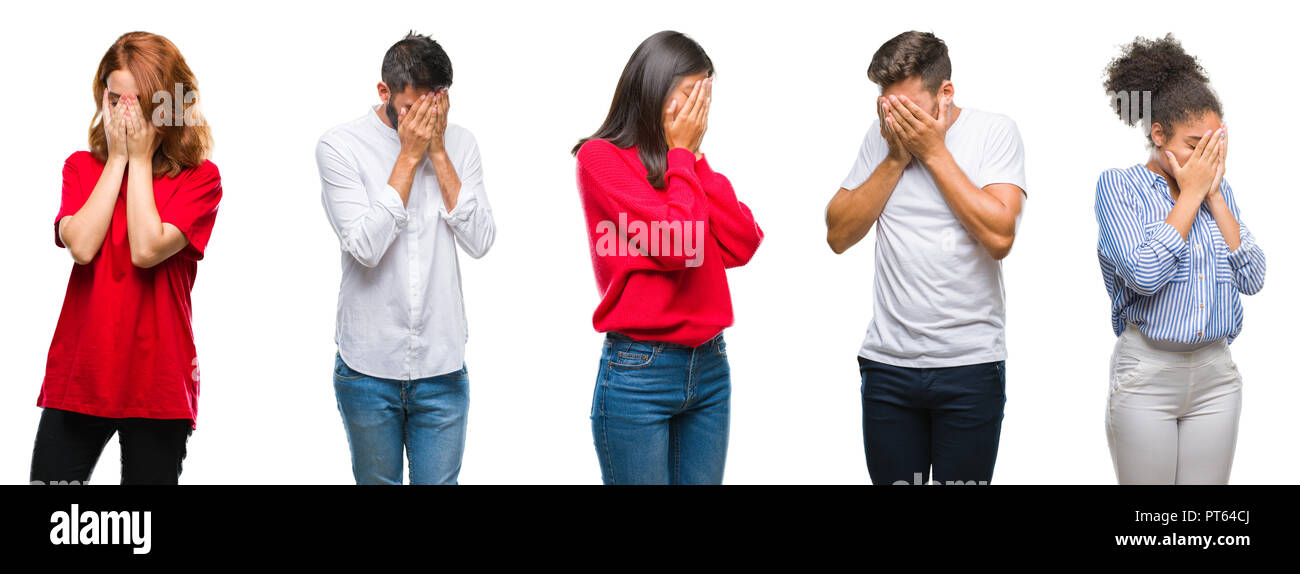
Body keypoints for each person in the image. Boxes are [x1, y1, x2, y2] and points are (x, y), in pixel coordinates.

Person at [824, 31, 1027, 485]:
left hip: (970, 366)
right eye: (886, 106)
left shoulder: (994, 131)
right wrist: (895, 159)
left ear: (945, 94)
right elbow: (838, 233)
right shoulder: (882, 140)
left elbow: (1000, 236)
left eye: (907, 108)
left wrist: (933, 152)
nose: (894, 117)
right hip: (888, 367)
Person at [30, 31, 221, 485]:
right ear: (103, 97)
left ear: (168, 106)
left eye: (140, 103)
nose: (126, 113)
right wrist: (117, 159)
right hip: (82, 373)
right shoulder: (81, 167)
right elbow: (81, 245)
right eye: (116, 100)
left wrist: (139, 160)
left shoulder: (201, 179)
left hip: (157, 378)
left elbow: (146, 249)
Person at [573, 30, 763, 485]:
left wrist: (692, 160)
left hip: (710, 366)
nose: (698, 110)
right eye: (688, 94)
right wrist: (682, 157)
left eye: (705, 96)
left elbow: (743, 242)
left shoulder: (685, 166)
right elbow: (680, 244)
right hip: (640, 371)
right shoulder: (601, 159)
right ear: (653, 87)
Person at [317, 32, 495, 485]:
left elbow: (480, 239)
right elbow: (364, 247)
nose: (427, 118)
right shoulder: (340, 146)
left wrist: (435, 150)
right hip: (368, 369)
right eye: (415, 108)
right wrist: (410, 157)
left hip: (442, 368)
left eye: (437, 105)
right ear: (385, 93)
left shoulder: (461, 144)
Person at [1096, 34, 1265, 485]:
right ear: (1158, 134)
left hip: (1216, 374)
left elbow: (1253, 277)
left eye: (1215, 147)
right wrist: (1191, 195)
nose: (1207, 160)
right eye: (1195, 146)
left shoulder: (1218, 192)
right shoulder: (1119, 187)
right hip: (1148, 373)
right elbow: (1144, 275)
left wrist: (1212, 195)